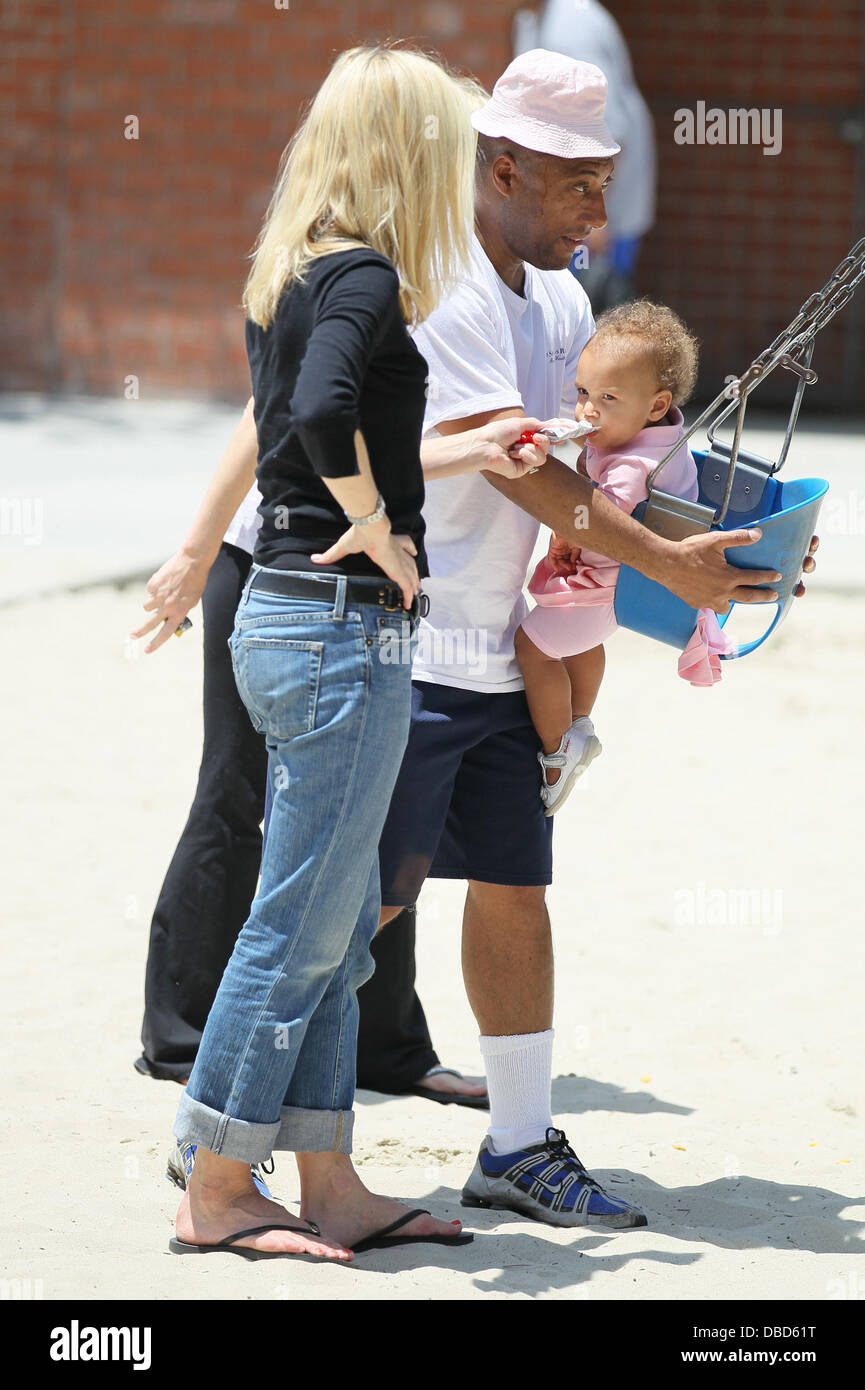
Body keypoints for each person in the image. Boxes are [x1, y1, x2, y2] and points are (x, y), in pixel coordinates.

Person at [137, 49, 818, 1234]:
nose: (601, 212)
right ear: (502, 166)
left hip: (495, 649)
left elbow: (589, 461)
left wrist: (738, 548)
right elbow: (513, 473)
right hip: (396, 642)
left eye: (606, 181)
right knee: (341, 922)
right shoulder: (421, 281)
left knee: (511, 888)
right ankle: (216, 1139)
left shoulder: (556, 294)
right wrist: (665, 562)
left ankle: (511, 1143)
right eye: (578, 186)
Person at [134, 467, 488, 1110]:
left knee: (370, 804)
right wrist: (195, 553)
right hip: (270, 567)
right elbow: (263, 422)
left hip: (369, 580)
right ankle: (184, 1038)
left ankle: (385, 1047)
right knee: (234, 791)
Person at [514, 299, 734, 815]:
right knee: (576, 645)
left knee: (532, 646)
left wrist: (566, 533)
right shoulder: (653, 437)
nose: (588, 410)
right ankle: (580, 723)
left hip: (609, 584)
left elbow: (600, 518)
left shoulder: (633, 464)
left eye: (608, 398)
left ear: (656, 406)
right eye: (584, 392)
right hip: (624, 586)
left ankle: (556, 752)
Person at [517, 0, 657, 308]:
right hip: (578, 205)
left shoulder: (571, 26)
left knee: (592, 323)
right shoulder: (536, 19)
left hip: (603, 211)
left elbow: (608, 128)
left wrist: (591, 218)